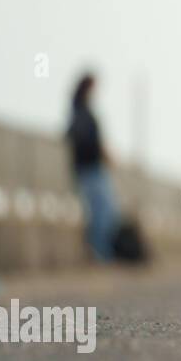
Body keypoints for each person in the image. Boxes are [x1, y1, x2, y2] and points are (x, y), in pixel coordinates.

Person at [65, 72, 118, 263]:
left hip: (91, 168)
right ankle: (100, 253)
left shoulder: (80, 110)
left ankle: (101, 252)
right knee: (102, 212)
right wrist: (101, 152)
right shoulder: (81, 112)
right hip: (90, 169)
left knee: (106, 211)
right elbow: (81, 138)